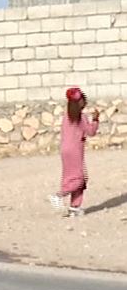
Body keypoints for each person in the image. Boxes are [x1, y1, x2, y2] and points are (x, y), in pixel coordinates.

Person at [50, 87, 100, 218]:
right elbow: (91, 132)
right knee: (79, 179)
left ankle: (75, 207)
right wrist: (95, 120)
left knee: (72, 177)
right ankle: (59, 195)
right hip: (75, 150)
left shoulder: (67, 116)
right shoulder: (81, 117)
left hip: (65, 150)